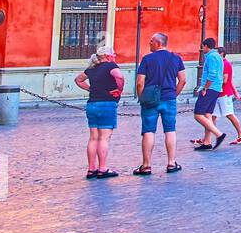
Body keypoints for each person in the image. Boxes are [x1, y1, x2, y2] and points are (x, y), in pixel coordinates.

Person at [134, 32, 186, 175]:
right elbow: (182, 80)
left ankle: (146, 165)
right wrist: (174, 94)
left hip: (150, 100)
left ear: (158, 43)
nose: (149, 43)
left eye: (151, 41)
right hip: (169, 98)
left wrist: (142, 98)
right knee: (170, 130)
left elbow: (140, 82)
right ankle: (171, 163)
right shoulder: (176, 58)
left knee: (148, 131)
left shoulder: (147, 59)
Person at [75, 47, 123, 179]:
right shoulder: (110, 66)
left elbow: (78, 80)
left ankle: (91, 169)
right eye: (113, 54)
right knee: (104, 138)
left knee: (93, 138)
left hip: (92, 104)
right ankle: (103, 168)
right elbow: (119, 76)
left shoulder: (91, 68)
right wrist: (119, 89)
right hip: (106, 103)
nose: (114, 55)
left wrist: (90, 89)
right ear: (107, 56)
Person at [192, 37, 228, 150]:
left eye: (203, 47)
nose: (202, 49)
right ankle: (207, 142)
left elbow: (212, 74)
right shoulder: (218, 56)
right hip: (216, 88)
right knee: (208, 115)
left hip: (210, 88)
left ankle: (219, 134)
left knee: (198, 115)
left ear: (206, 46)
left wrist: (205, 88)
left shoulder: (211, 57)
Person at [217, 46, 241, 145]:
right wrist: (236, 93)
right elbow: (230, 81)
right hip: (219, 94)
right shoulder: (222, 64)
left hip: (223, 94)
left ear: (221, 54)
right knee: (212, 116)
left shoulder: (225, 64)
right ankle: (206, 139)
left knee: (229, 114)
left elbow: (225, 80)